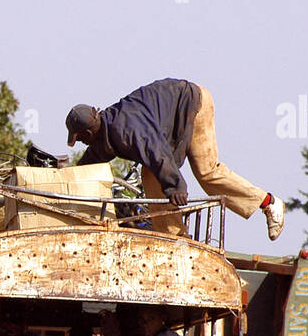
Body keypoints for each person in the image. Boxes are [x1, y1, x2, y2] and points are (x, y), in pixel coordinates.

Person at [65, 79, 285, 239]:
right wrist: (65, 179)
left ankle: (269, 203)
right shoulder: (106, 133)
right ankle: (175, 237)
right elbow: (90, 163)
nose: (82, 143)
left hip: (191, 104)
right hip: (174, 114)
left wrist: (175, 186)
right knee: (151, 174)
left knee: (207, 171)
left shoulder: (126, 130)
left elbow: (157, 151)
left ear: (87, 132)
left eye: (80, 139)